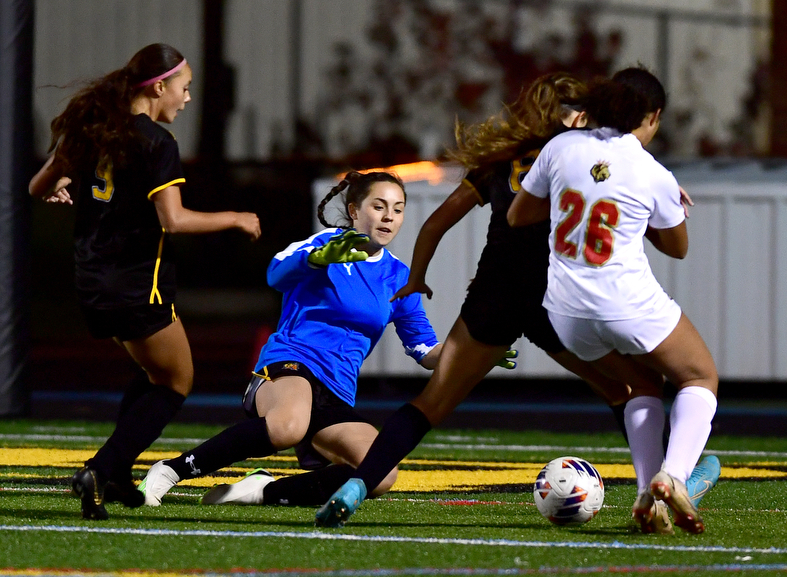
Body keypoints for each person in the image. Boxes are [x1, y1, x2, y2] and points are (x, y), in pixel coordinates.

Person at [315, 72, 719, 531]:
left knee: (431, 403)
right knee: (627, 389)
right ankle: (673, 475)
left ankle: (357, 485)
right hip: (553, 300)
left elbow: (435, 225)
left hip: (494, 293)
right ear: (574, 115)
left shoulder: (500, 161)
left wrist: (418, 279)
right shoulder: (579, 155)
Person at [140, 170, 498, 508]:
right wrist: (314, 260)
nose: (389, 217)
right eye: (379, 206)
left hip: (336, 391)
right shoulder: (326, 244)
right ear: (355, 211)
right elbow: (275, 275)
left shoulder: (400, 276)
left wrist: (472, 352)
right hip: (290, 364)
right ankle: (170, 470)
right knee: (287, 427)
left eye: (398, 209)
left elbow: (423, 350)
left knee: (381, 473)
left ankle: (263, 490)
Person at [28, 43, 262, 520]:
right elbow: (173, 221)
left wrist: (59, 184)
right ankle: (103, 466)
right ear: (159, 87)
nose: (187, 98)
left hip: (92, 279)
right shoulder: (156, 142)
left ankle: (115, 474)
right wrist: (235, 217)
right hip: (137, 283)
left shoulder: (91, 130)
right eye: (184, 88)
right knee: (177, 382)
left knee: (151, 372)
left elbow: (36, 186)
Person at [505, 67, 719, 535]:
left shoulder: (560, 147)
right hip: (625, 304)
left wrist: (574, 194)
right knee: (700, 376)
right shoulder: (651, 171)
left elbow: (518, 214)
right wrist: (667, 203)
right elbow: (677, 248)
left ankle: (648, 496)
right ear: (653, 116)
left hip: (565, 314)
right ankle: (674, 476)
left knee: (643, 386)